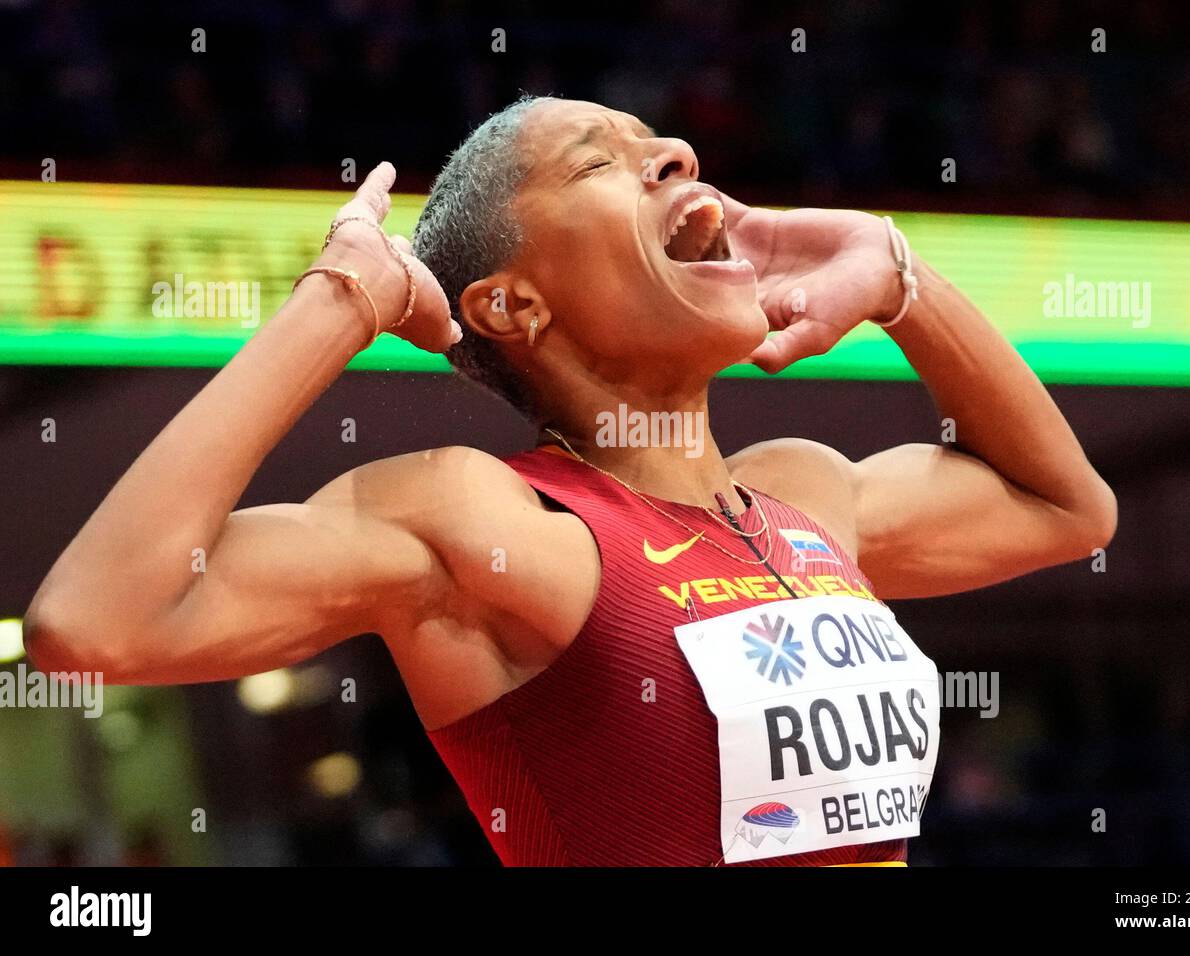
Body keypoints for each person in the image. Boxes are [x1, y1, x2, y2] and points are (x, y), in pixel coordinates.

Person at [24, 95, 1116, 866]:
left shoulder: (805, 493)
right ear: (512, 305)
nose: (679, 156)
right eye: (602, 161)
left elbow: (1067, 507)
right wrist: (337, 302)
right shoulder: (483, 522)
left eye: (662, 147)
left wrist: (899, 274)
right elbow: (92, 626)